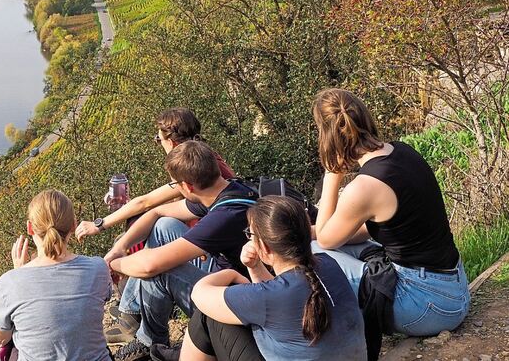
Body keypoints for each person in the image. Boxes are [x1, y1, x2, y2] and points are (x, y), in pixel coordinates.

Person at [311, 89, 469, 339]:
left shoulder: (364, 187)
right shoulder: (402, 151)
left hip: (427, 305)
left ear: (327, 136)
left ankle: (333, 338)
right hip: (455, 290)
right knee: (328, 245)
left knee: (310, 253)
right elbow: (377, 230)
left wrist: (332, 173)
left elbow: (325, 239)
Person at [75, 108, 235, 343]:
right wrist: (121, 244)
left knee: (158, 259)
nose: (158, 143)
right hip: (210, 246)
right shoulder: (205, 158)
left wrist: (102, 231)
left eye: (158, 138)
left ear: (170, 141)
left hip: (213, 261)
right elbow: (155, 208)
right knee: (161, 224)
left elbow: (146, 202)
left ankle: (140, 327)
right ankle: (131, 311)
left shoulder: (191, 172)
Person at [108, 141, 254, 361]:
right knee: (165, 226)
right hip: (234, 278)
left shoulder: (225, 215)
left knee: (159, 271)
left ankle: (150, 342)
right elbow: (156, 212)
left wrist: (112, 264)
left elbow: (150, 266)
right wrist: (120, 248)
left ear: (186, 186)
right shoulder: (226, 190)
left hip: (241, 308)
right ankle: (135, 315)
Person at [182, 196, 366, 361]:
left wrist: (231, 274)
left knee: (207, 318)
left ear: (264, 246)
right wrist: (254, 267)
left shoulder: (268, 297)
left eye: (251, 234)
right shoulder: (328, 264)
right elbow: (279, 299)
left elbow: (198, 294)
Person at [0, 189, 112, 361]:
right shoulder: (98, 268)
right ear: (74, 225)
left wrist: (18, 274)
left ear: (30, 228)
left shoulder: (9, 282)